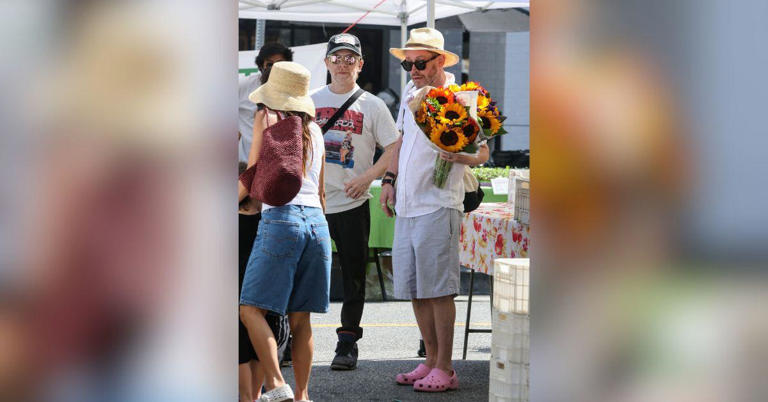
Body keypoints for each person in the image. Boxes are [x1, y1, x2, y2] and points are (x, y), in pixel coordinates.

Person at [380, 28, 490, 392]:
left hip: (439, 203)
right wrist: (389, 180)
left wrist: (459, 156)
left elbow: (482, 153)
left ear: (440, 61)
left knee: (439, 290)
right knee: (416, 287)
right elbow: (400, 142)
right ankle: (429, 360)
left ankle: (446, 367)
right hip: (408, 203)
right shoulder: (410, 94)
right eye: (408, 64)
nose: (412, 70)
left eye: (420, 63)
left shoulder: (461, 97)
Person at [239, 62, 330, 402]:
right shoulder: (316, 130)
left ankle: (277, 385)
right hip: (317, 224)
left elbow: (251, 174)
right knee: (301, 319)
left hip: (281, 219)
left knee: (250, 310)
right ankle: (302, 396)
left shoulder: (267, 118)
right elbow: (320, 191)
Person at [309, 33, 400, 371]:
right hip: (313, 203)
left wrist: (369, 177)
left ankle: (347, 342)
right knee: (303, 273)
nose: (343, 64)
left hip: (352, 202)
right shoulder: (309, 100)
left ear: (360, 64)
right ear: (327, 62)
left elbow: (393, 147)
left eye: (350, 58)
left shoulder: (373, 105)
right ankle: (292, 339)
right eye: (337, 57)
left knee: (353, 275)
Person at [237, 42, 294, 401]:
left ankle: (267, 387)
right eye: (268, 65)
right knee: (258, 307)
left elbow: (256, 168)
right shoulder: (305, 124)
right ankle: (264, 390)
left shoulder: (267, 118)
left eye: (280, 65)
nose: (272, 70)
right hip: (273, 212)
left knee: (247, 309)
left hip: (262, 208)